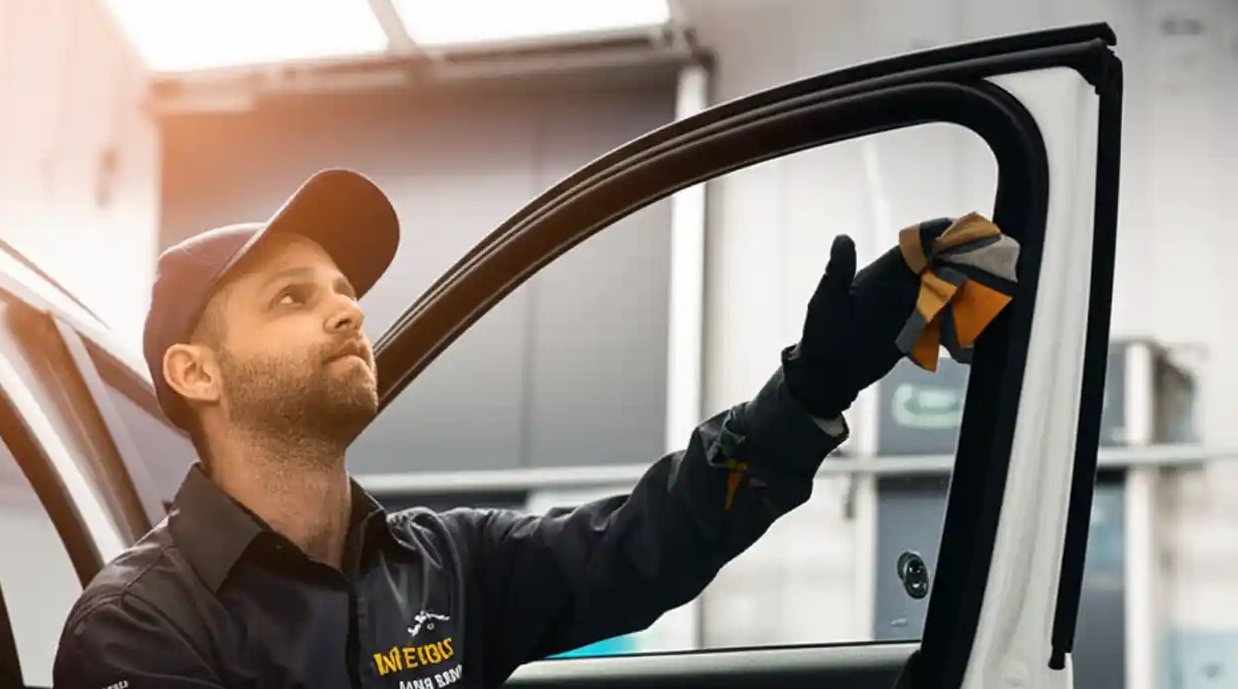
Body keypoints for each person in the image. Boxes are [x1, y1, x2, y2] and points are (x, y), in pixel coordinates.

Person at [50, 168, 969, 688]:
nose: (347, 316)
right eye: (294, 299)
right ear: (195, 371)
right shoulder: (137, 627)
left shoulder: (448, 565)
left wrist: (813, 388)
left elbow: (654, 537)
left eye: (346, 295)